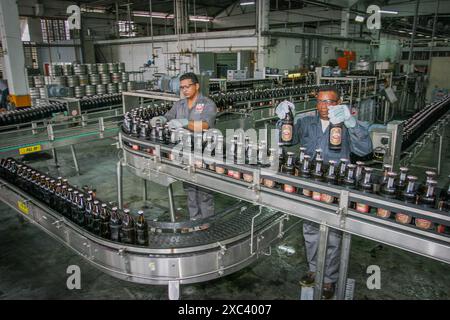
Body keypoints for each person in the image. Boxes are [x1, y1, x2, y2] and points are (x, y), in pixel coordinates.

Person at [275, 85, 372, 299]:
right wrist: (282, 120)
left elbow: (364, 150)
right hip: (309, 183)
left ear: (339, 102)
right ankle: (314, 269)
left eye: (329, 102)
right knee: (310, 229)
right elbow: (286, 139)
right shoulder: (307, 122)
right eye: (320, 101)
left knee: (334, 234)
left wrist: (352, 123)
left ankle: (329, 279)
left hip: (336, 185)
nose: (324, 107)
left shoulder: (346, 123)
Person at [150, 72, 217, 221]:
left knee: (204, 190)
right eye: (182, 88)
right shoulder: (179, 104)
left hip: (203, 151)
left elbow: (206, 124)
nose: (185, 90)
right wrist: (161, 119)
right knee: (189, 188)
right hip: (185, 150)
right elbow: (169, 116)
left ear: (197, 86)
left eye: (188, 86)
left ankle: (207, 223)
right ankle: (195, 219)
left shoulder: (207, 104)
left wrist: (185, 123)